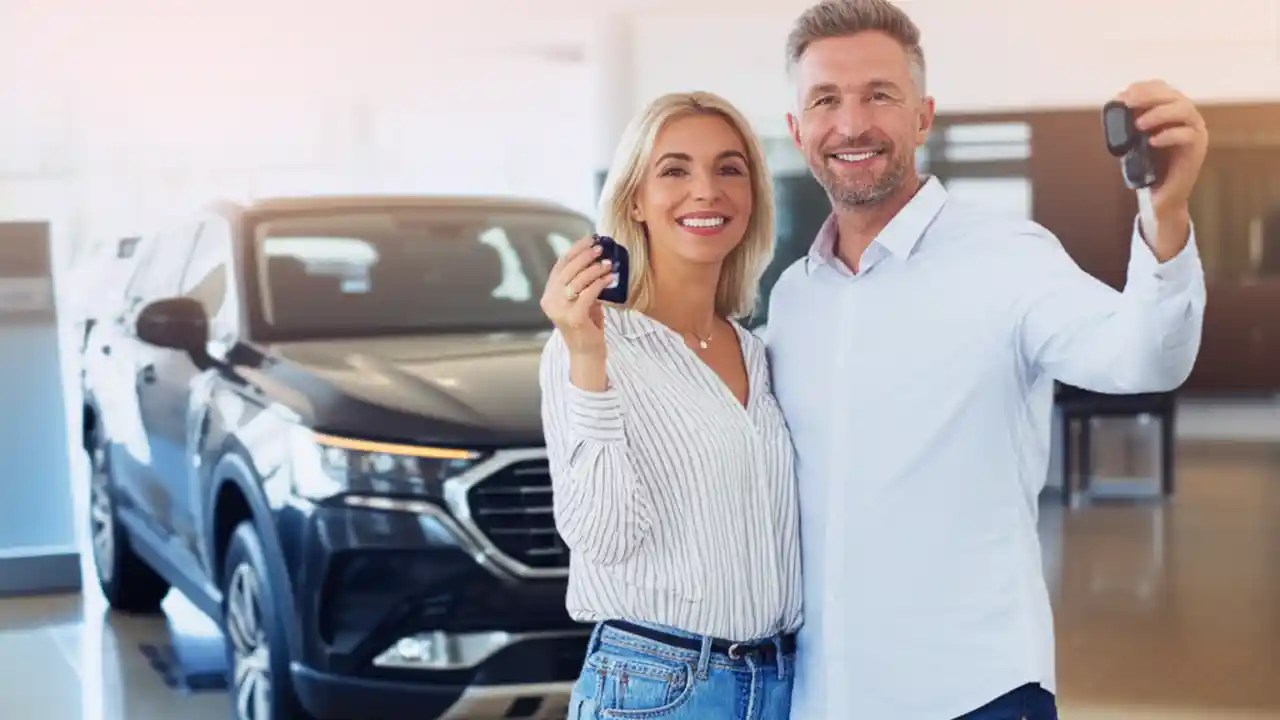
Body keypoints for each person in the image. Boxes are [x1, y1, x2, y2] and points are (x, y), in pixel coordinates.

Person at [764, 1, 1209, 719]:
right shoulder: (792, 297)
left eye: (880, 95)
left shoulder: (1007, 257)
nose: (850, 125)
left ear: (922, 116)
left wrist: (1165, 212)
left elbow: (1143, 359)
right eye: (825, 100)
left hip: (975, 693)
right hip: (824, 697)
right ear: (797, 130)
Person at [538, 91, 803, 719]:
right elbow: (599, 534)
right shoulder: (592, 342)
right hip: (656, 689)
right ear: (636, 197)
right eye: (675, 169)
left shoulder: (757, 350)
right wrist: (587, 357)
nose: (705, 190)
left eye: (729, 168)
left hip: (780, 682)